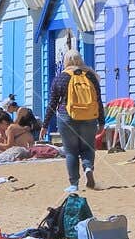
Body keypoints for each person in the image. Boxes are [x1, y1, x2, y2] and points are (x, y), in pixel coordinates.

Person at [44, 50, 104, 189]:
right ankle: (88, 168)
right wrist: (101, 121)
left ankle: (74, 184)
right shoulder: (91, 76)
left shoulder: (61, 77)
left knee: (71, 151)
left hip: (67, 117)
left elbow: (52, 103)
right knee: (88, 148)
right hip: (89, 117)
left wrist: (45, 125)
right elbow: (98, 101)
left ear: (66, 61)